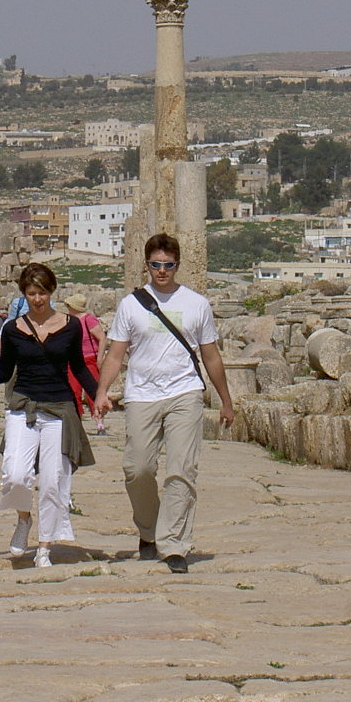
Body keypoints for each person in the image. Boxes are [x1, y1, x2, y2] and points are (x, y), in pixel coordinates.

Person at [94, 233, 235, 575]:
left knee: (181, 470)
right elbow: (116, 354)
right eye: (156, 265)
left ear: (177, 265)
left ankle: (174, 545)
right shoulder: (131, 304)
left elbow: (211, 356)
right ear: (147, 265)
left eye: (168, 265)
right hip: (142, 393)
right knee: (137, 469)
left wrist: (226, 401)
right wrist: (101, 392)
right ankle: (149, 529)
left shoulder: (196, 304)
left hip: (184, 392)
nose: (162, 271)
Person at [0, 263, 96, 568]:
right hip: (23, 406)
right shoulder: (13, 329)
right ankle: (23, 519)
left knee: (53, 481)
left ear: (51, 292)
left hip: (58, 409)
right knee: (15, 474)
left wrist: (98, 394)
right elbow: (6, 368)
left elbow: (78, 367)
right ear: (24, 294)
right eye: (31, 293)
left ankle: (44, 548)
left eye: (41, 292)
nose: (37, 299)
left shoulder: (70, 326)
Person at [64, 294, 107, 435]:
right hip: (73, 360)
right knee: (74, 392)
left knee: (93, 393)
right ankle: (77, 423)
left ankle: (100, 423)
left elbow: (102, 338)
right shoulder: (69, 320)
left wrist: (100, 358)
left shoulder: (89, 320)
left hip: (89, 360)